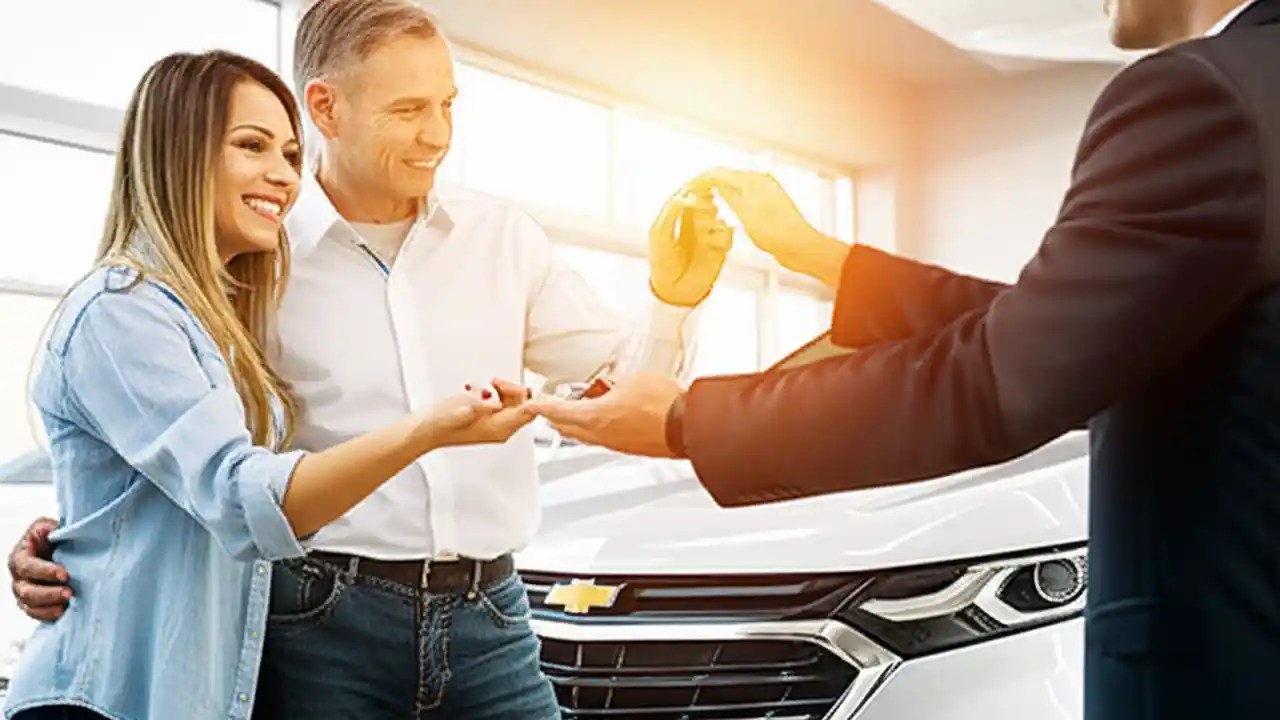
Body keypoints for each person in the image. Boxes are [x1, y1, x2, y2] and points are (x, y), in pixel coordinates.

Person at [531, 1, 1280, 718]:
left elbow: (1001, 376)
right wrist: (821, 259)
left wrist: (686, 421)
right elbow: (1079, 331)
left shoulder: (1202, 95)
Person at [9, 0, 732, 717]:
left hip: (494, 616)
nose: (437, 136)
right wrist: (80, 539)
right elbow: (164, 425)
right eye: (409, 109)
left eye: (448, 105)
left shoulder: (503, 239)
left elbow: (626, 390)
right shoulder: (249, 254)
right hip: (318, 620)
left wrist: (672, 301)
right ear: (325, 107)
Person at [1, 49, 534, 720]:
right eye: (252, 146)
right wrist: (429, 430)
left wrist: (68, 537)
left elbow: (142, 505)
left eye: (288, 155)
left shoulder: (219, 322)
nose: (282, 177)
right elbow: (237, 495)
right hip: (108, 696)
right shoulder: (121, 310)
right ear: (178, 153)